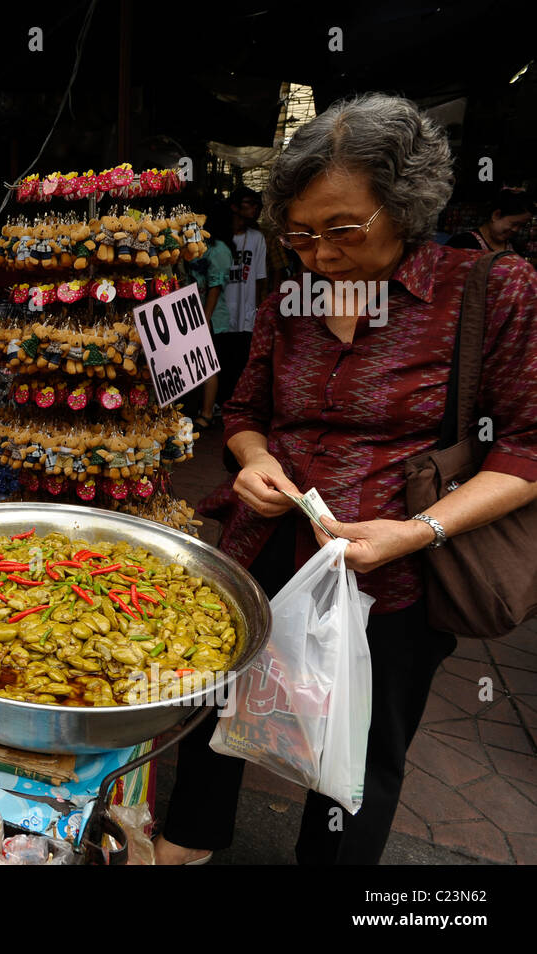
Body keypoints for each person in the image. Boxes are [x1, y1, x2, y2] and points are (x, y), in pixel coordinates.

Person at [154, 93, 537, 865]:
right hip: (263, 548)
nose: (319, 255)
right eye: (299, 233)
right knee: (218, 705)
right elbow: (246, 411)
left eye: (341, 231)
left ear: (406, 208)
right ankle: (186, 843)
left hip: (397, 576)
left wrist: (415, 531)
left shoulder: (492, 289)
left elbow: (525, 447)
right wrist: (256, 460)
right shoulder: (290, 299)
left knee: (360, 746)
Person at [217, 186, 268, 411]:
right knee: (221, 358)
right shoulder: (219, 239)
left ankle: (235, 404)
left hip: (245, 311)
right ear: (235, 207)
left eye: (257, 204)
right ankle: (219, 401)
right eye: (250, 203)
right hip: (220, 311)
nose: (255, 208)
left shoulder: (257, 239)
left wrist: (257, 311)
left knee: (241, 360)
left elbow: (259, 278)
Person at [190, 201, 234, 429]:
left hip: (210, 318)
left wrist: (205, 319)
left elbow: (215, 286)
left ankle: (207, 413)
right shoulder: (197, 243)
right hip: (191, 315)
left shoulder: (219, 250)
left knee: (208, 364)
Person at [444, 186, 533, 253]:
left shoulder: (515, 248)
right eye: (514, 224)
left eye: (521, 226)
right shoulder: (462, 243)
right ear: (496, 215)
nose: (516, 230)